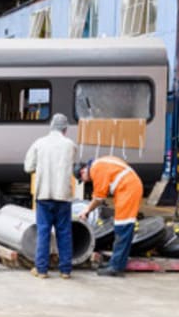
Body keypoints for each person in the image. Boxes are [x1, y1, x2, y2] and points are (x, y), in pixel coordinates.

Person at [23, 113, 78, 279]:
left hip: (44, 195)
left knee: (43, 232)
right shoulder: (70, 145)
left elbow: (28, 167)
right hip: (63, 195)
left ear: (51, 127)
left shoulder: (39, 143)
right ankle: (65, 270)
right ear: (65, 129)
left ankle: (41, 270)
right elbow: (73, 166)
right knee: (64, 232)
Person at [75, 156, 142, 277]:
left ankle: (116, 267)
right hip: (127, 188)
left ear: (83, 171)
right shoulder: (99, 163)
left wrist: (86, 210)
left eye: (82, 179)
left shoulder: (96, 169)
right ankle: (115, 263)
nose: (85, 182)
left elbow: (99, 198)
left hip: (128, 189)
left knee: (123, 228)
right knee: (121, 227)